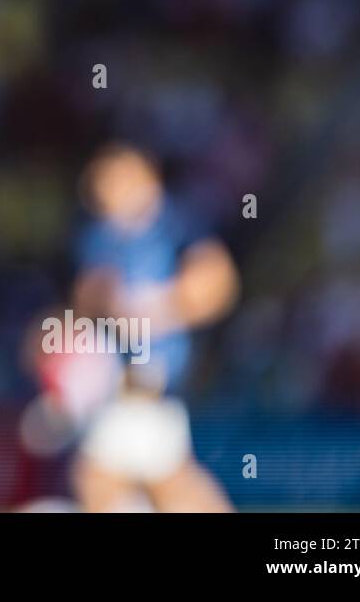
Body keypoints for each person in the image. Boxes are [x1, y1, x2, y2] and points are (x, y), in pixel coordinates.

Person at [67, 142, 239, 512]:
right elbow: (85, 299)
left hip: (155, 385)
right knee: (121, 484)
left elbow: (217, 281)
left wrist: (160, 309)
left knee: (139, 484)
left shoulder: (177, 224)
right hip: (118, 389)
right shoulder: (98, 237)